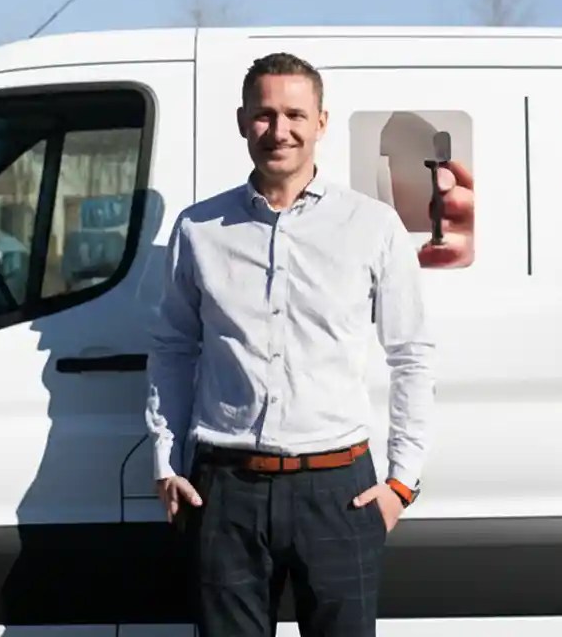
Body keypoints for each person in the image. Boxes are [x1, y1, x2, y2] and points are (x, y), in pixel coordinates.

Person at [144, 51, 437, 636]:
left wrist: (403, 482)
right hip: (223, 492)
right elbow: (173, 349)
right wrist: (165, 463)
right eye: (264, 114)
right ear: (242, 121)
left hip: (339, 492)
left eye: (295, 115)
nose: (279, 131)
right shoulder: (199, 230)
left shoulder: (371, 226)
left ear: (321, 123)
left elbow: (411, 354)